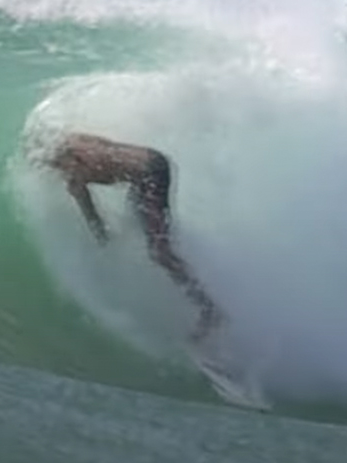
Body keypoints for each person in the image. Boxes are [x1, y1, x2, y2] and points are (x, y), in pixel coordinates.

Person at [45, 132, 222, 344]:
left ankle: (209, 310)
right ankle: (195, 291)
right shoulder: (76, 140)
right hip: (149, 163)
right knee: (136, 225)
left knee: (159, 252)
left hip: (150, 175)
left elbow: (92, 216)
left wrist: (103, 241)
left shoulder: (73, 170)